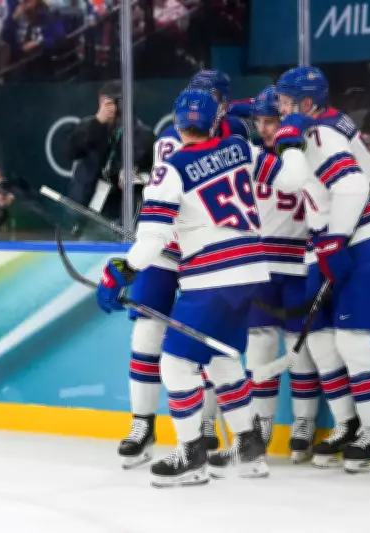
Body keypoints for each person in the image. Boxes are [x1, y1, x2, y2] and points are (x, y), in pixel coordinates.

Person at [97, 87, 308, 487]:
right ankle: (249, 449)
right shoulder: (241, 149)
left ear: (176, 124)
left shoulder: (171, 168)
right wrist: (292, 139)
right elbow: (294, 178)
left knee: (175, 363)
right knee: (220, 360)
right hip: (252, 272)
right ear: (215, 122)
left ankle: (191, 454)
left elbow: (154, 239)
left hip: (211, 277)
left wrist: (121, 269)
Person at [268, 66, 370, 473]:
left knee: (352, 340)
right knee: (321, 339)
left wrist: (334, 239)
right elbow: (296, 183)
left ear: (308, 103)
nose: (282, 108)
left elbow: (354, 187)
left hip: (362, 239)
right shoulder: (314, 126)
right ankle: (347, 423)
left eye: (288, 102)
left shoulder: (320, 135)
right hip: (329, 240)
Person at [116, 69, 249, 468]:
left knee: (204, 344)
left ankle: (205, 427)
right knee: (147, 334)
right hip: (165, 250)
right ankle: (143, 424)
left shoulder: (238, 138)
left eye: (208, 95)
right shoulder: (173, 138)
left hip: (206, 255)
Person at [242, 86, 326, 462]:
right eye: (259, 121)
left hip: (298, 265)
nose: (264, 128)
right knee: (259, 346)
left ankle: (304, 423)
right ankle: (260, 423)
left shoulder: (307, 156)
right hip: (261, 266)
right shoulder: (253, 157)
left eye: (271, 121)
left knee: (300, 349)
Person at [66, 80, 155, 236]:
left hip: (120, 211)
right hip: (87, 206)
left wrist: (136, 177)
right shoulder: (89, 127)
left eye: (121, 101)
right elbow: (70, 153)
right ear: (101, 101)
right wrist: (98, 122)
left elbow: (151, 170)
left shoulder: (142, 134)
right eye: (112, 101)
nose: (117, 107)